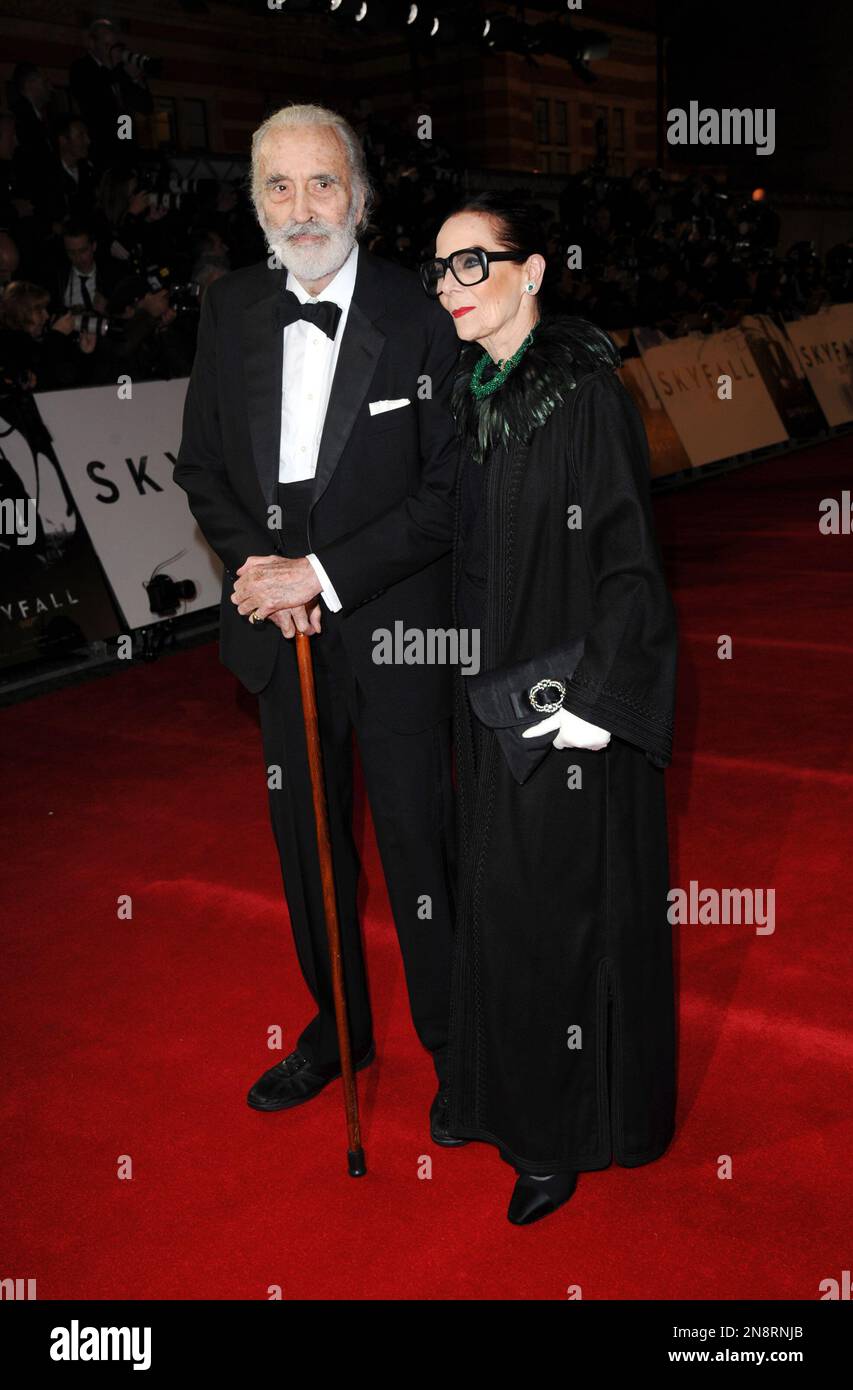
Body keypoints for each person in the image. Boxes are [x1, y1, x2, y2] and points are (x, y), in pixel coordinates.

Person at [173, 103, 463, 1142]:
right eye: (279, 187)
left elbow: (445, 491)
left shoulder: (419, 311)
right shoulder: (229, 308)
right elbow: (198, 464)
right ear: (256, 205)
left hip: (392, 626)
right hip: (274, 630)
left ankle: (453, 1044)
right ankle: (340, 1025)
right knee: (306, 847)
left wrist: (320, 574)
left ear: (361, 194)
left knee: (419, 847)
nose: (303, 207)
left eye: (323, 182)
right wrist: (263, 570)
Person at [419, 192, 678, 1224]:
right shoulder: (475, 390)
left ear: (532, 273)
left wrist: (596, 698)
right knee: (490, 903)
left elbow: (630, 560)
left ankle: (557, 1134)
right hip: (483, 702)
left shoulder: (583, 392)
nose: (450, 286)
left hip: (557, 704)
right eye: (440, 269)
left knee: (554, 925)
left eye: (472, 263)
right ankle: (490, 1093)